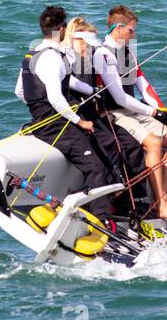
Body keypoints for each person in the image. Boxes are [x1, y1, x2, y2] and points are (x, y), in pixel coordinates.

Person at [15, 6, 119, 221]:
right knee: (95, 166)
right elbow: (55, 97)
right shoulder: (53, 58)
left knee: (105, 142)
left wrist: (90, 91)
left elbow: (20, 91)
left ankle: (108, 200)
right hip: (55, 124)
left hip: (41, 121)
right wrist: (80, 122)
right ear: (62, 30)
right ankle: (100, 219)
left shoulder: (32, 54)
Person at [96, 5, 167, 220]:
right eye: (131, 30)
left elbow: (143, 86)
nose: (133, 35)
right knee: (154, 143)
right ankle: (163, 205)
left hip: (135, 110)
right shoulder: (102, 54)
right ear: (118, 28)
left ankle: (160, 200)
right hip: (114, 112)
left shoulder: (127, 53)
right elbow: (119, 98)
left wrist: (164, 112)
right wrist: (154, 112)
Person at [64, 18, 150, 214]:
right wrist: (90, 91)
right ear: (77, 41)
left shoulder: (94, 56)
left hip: (97, 115)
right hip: (77, 118)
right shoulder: (65, 58)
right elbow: (67, 85)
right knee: (111, 147)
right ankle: (110, 200)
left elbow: (116, 92)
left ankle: (137, 198)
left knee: (132, 147)